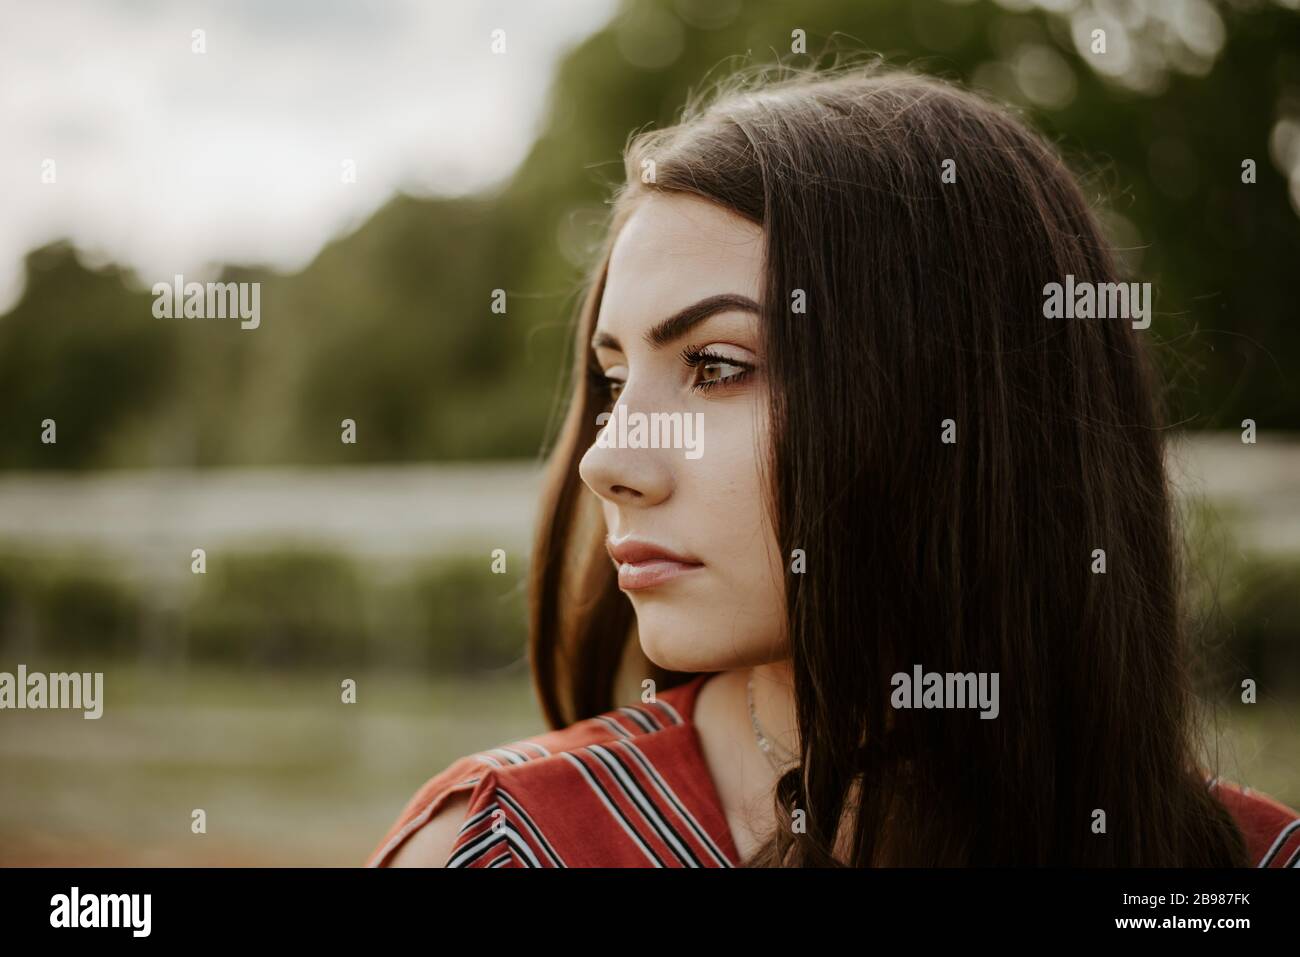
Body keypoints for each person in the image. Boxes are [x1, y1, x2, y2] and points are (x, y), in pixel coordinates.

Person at [368, 63, 1300, 867]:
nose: (607, 461)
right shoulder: (515, 845)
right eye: (614, 379)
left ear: (948, 404)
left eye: (716, 366)